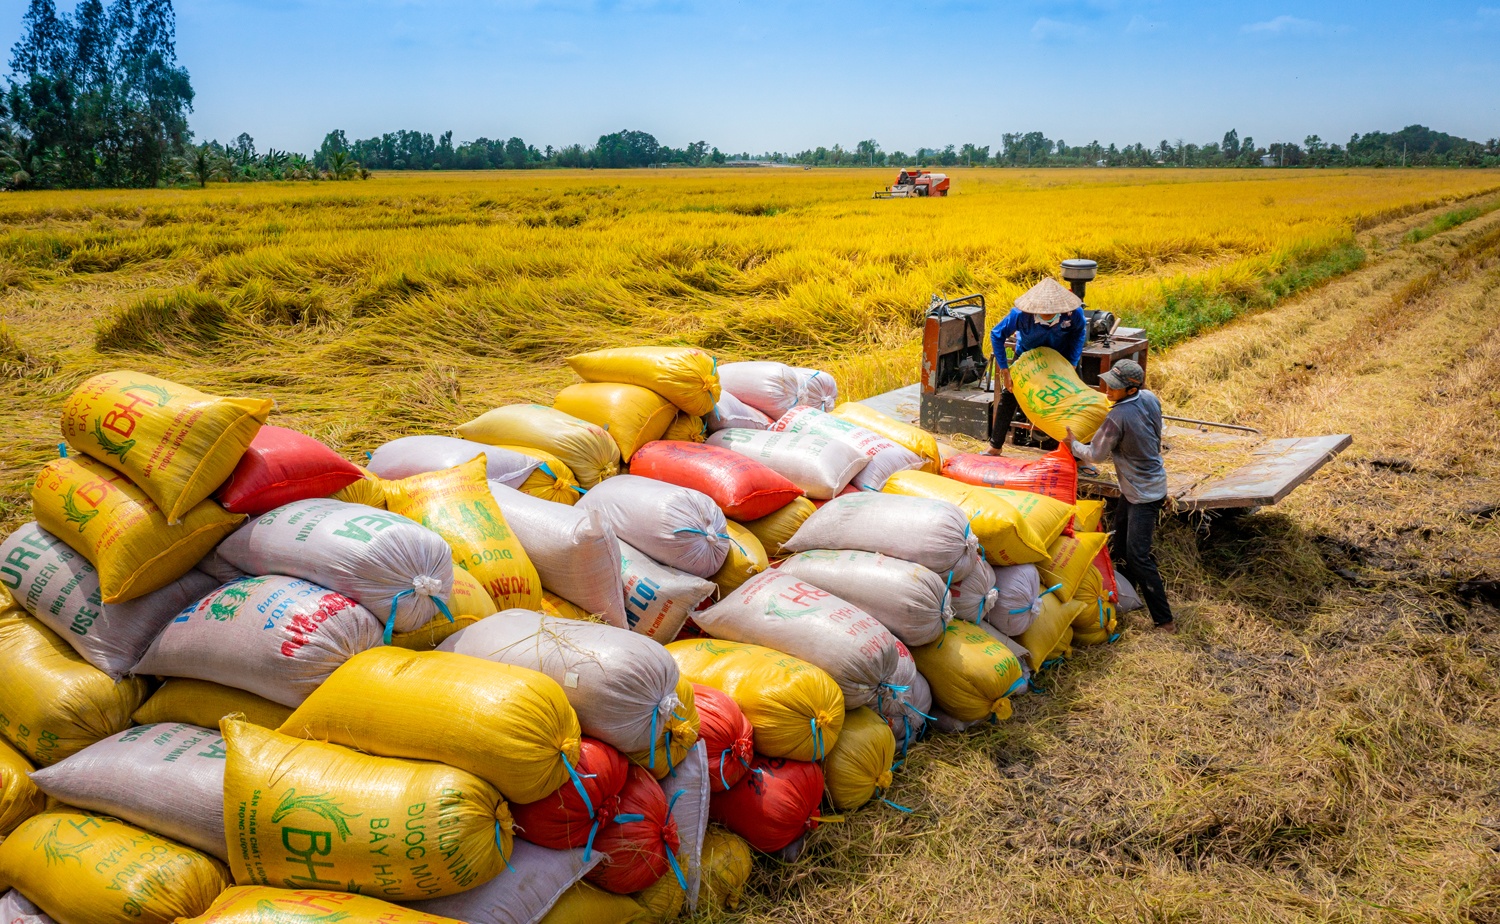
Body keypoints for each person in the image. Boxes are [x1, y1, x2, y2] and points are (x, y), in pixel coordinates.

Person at [1063, 358, 1175, 632]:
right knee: (1120, 544)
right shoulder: (1149, 398)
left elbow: (1096, 455)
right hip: (1147, 484)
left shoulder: (1117, 417)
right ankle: (1126, 596)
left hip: (1142, 495)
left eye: (1114, 387)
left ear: (1131, 389)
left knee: (1138, 556)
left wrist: (1073, 444)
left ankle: (1165, 620)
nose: (1107, 390)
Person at [986, 277, 1087, 455]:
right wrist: (1005, 369)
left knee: (1070, 399)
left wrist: (1072, 362)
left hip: (1061, 358)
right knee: (1009, 395)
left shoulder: (1073, 314)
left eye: (1051, 312)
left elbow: (1080, 332)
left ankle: (1074, 454)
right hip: (1027, 357)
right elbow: (996, 334)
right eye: (1042, 312)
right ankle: (995, 446)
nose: (1047, 315)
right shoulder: (1020, 315)